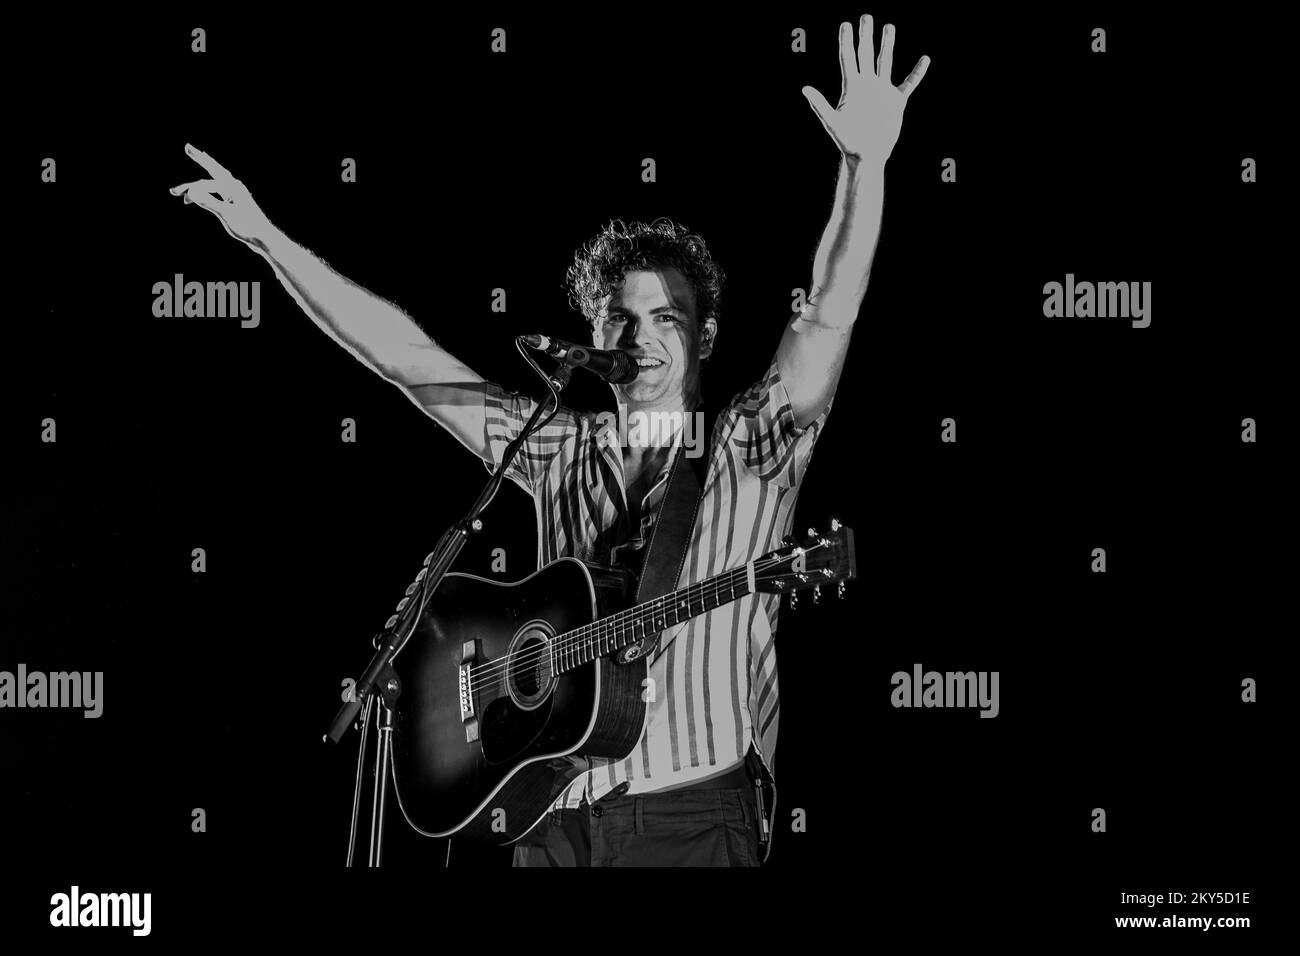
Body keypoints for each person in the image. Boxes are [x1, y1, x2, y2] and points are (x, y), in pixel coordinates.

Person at [170, 14, 929, 866]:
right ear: (592, 331)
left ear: (705, 338)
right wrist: (270, 242)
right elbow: (409, 363)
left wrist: (864, 166)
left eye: (667, 318)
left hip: (689, 817)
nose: (640, 337)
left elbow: (827, 314)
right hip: (548, 815)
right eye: (619, 317)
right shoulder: (555, 445)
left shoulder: (751, 444)